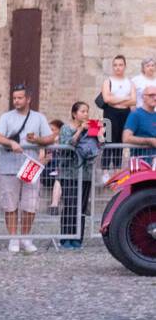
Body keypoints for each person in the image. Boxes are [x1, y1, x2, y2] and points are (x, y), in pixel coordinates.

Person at [0, 84, 54, 254]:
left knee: (30, 203)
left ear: (28, 99)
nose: (16, 101)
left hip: (30, 164)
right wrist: (11, 142)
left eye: (20, 98)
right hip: (8, 165)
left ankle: (25, 236)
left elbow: (50, 137)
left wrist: (37, 140)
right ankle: (12, 238)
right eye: (14, 98)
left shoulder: (39, 117)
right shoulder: (6, 117)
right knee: (10, 202)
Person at [58, 102, 98, 250]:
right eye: (82, 111)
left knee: (81, 207)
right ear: (74, 114)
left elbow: (97, 147)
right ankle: (66, 238)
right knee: (70, 205)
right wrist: (80, 130)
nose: (86, 114)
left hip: (85, 174)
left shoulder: (92, 128)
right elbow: (66, 146)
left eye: (87, 111)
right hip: (70, 173)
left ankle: (78, 238)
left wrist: (99, 134)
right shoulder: (66, 128)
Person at [100, 55, 134, 172]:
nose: (118, 68)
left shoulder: (129, 82)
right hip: (110, 113)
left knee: (120, 141)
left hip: (125, 113)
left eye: (120, 65)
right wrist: (125, 98)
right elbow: (107, 99)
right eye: (115, 65)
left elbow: (133, 100)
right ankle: (105, 171)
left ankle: (117, 170)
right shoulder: (108, 81)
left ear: (124, 66)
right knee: (108, 139)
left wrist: (115, 98)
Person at [122, 87, 156, 162]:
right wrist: (150, 141)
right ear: (143, 97)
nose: (155, 98)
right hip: (141, 164)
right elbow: (126, 138)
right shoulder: (135, 114)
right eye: (151, 95)